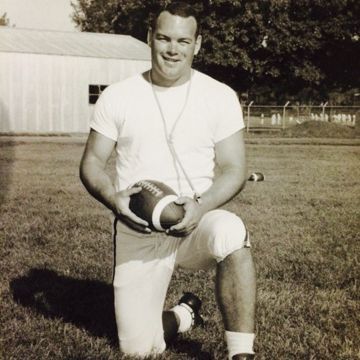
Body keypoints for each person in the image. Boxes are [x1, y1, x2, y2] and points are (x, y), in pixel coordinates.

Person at [79, 2, 257, 359]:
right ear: (150, 38)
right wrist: (114, 198)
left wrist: (201, 205)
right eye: (163, 38)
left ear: (198, 44)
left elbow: (234, 168)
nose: (172, 49)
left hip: (196, 220)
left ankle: (242, 354)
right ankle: (184, 313)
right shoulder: (119, 95)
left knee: (232, 233)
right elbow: (91, 164)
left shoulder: (219, 96)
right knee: (138, 350)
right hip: (138, 227)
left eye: (182, 40)